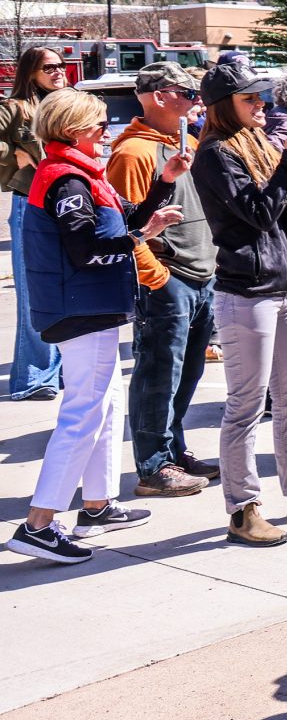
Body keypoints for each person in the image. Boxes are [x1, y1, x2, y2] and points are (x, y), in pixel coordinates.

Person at [7, 88, 183, 564]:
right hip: (79, 308)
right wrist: (143, 235)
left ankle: (97, 504)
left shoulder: (79, 175)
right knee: (84, 411)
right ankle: (39, 524)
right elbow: (88, 249)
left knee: (103, 405)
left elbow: (120, 221)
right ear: (73, 130)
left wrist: (162, 186)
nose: (105, 133)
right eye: (98, 125)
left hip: (88, 306)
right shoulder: (66, 180)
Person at [190, 59, 287, 547]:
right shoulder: (213, 155)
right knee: (246, 404)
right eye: (250, 99)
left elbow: (286, 218)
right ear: (223, 107)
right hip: (246, 293)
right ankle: (243, 508)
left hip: (285, 284)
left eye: (261, 97)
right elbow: (256, 216)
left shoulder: (261, 142)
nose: (261, 104)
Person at [107, 62, 218, 499]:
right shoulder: (134, 152)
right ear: (157, 97)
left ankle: (174, 450)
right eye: (185, 92)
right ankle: (153, 466)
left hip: (199, 274)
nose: (195, 99)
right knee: (157, 373)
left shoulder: (183, 141)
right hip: (168, 279)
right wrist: (157, 278)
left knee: (186, 373)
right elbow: (125, 226)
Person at [4, 45, 68, 401]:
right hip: (30, 204)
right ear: (30, 73)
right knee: (32, 291)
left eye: (60, 65)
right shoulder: (15, 109)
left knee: (63, 287)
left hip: (68, 203)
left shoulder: (65, 104)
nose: (58, 71)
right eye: (49, 67)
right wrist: (15, 154)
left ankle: (58, 370)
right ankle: (34, 377)